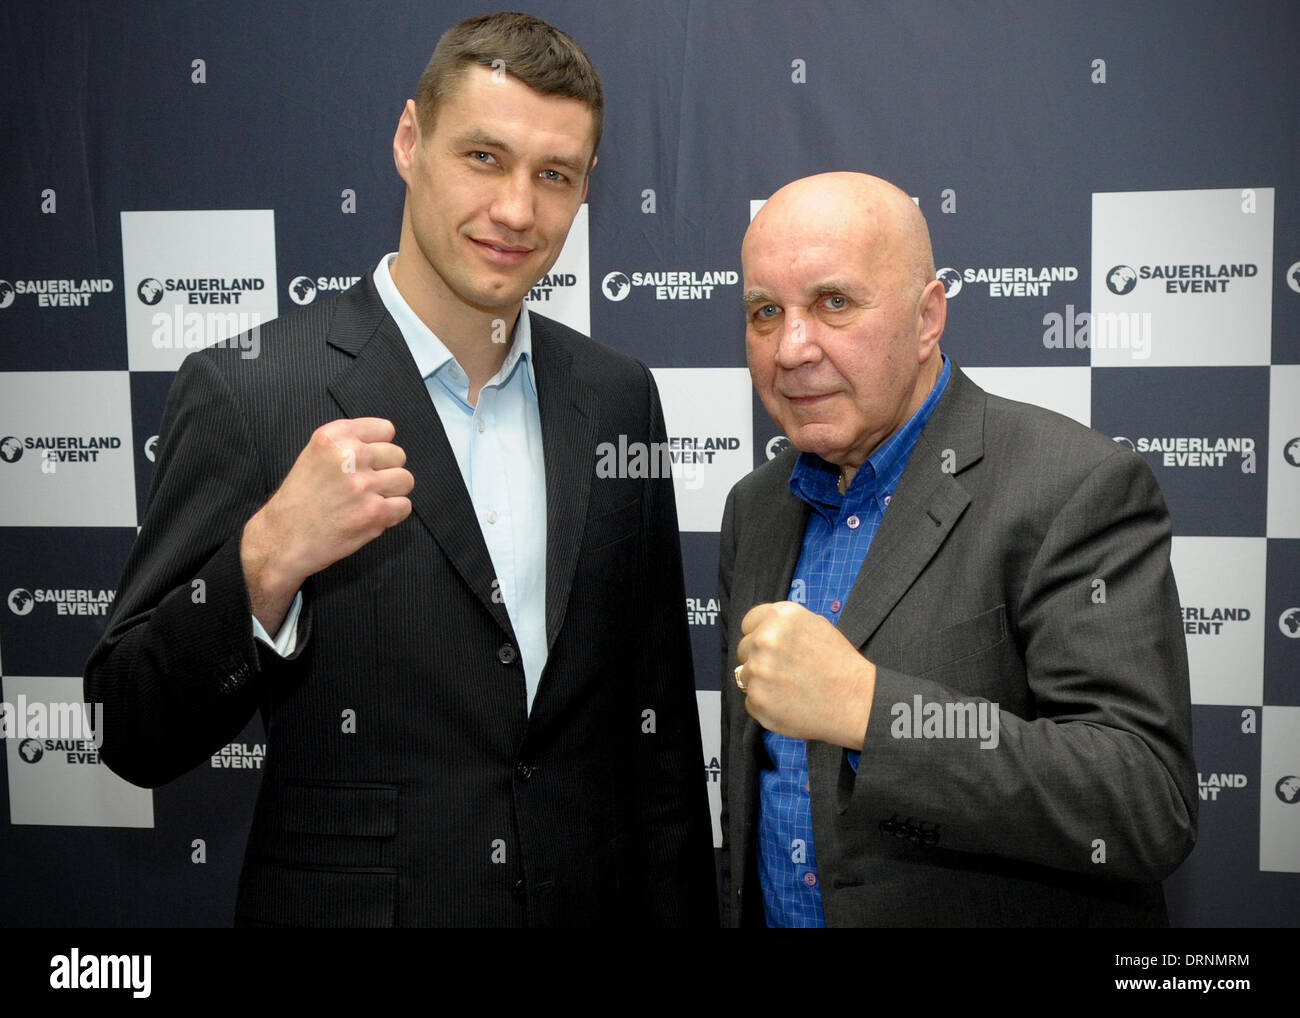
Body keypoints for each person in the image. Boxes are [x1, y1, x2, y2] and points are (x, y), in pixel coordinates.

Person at [86, 11, 716, 927]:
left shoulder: (618, 399)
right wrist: (264, 561)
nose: (516, 211)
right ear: (409, 140)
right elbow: (128, 728)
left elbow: (653, 733)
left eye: (555, 176)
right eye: (484, 157)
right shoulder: (250, 390)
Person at [720, 171, 1197, 927]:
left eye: (833, 303)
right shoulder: (756, 507)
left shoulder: (1072, 486)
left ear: (928, 317)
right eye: (764, 312)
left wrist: (872, 711)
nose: (792, 347)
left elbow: (1143, 802)